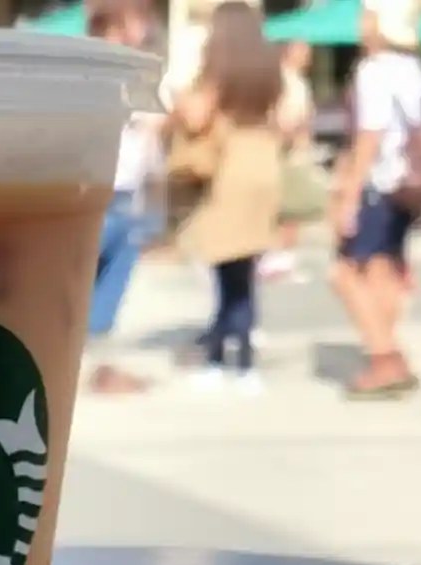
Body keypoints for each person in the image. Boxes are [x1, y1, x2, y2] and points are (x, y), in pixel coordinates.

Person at [173, 1, 283, 395]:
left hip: (229, 169)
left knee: (225, 273)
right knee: (245, 273)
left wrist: (178, 95)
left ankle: (222, 359)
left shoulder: (218, 67)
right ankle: (246, 365)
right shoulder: (268, 68)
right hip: (264, 165)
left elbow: (196, 117)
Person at [329, 0, 421, 399]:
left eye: (366, 16)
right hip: (407, 186)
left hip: (378, 185)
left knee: (344, 273)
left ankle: (386, 356)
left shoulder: (374, 71)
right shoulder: (415, 69)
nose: (360, 24)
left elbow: (370, 136)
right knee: (381, 271)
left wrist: (347, 198)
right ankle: (386, 354)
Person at [82, 0, 167, 394]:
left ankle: (99, 367)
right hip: (98, 191)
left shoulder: (141, 71)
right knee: (77, 280)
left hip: (127, 194)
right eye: (136, 18)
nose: (143, 26)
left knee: (111, 286)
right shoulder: (93, 72)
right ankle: (81, 366)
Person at [262, 40, 320, 283]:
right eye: (302, 51)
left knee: (292, 209)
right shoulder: (282, 80)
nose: (307, 57)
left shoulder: (297, 80)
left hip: (297, 151)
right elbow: (276, 115)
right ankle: (278, 260)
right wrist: (291, 132)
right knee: (287, 208)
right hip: (284, 152)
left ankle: (284, 259)